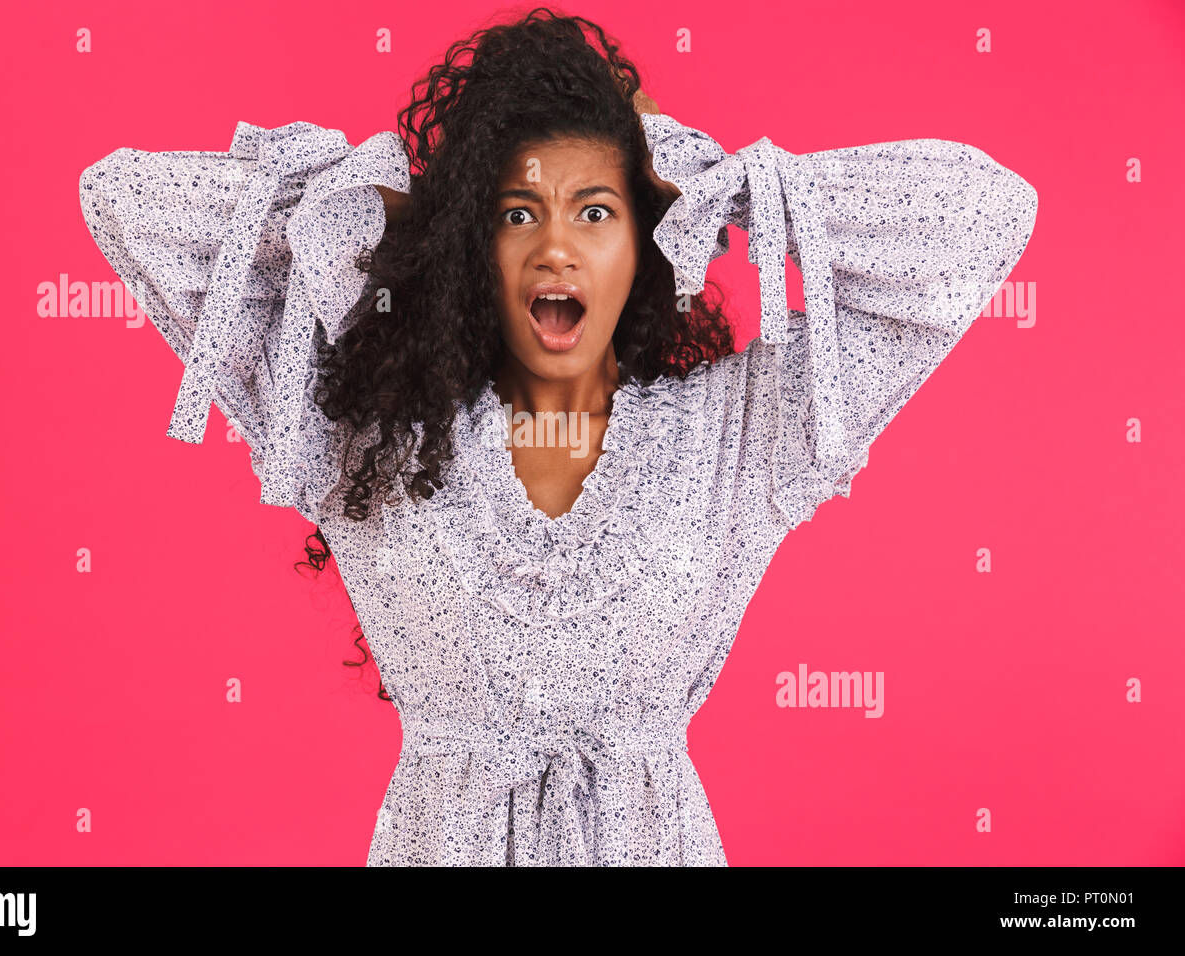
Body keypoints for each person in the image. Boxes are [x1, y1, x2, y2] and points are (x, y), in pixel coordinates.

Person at [78, 8, 1037, 866]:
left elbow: (987, 213)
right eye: (514, 213)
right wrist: (400, 209)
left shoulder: (734, 435)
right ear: (472, 244)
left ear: (649, 237)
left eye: (596, 211)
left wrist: (716, 182)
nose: (556, 248)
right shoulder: (365, 424)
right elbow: (123, 199)